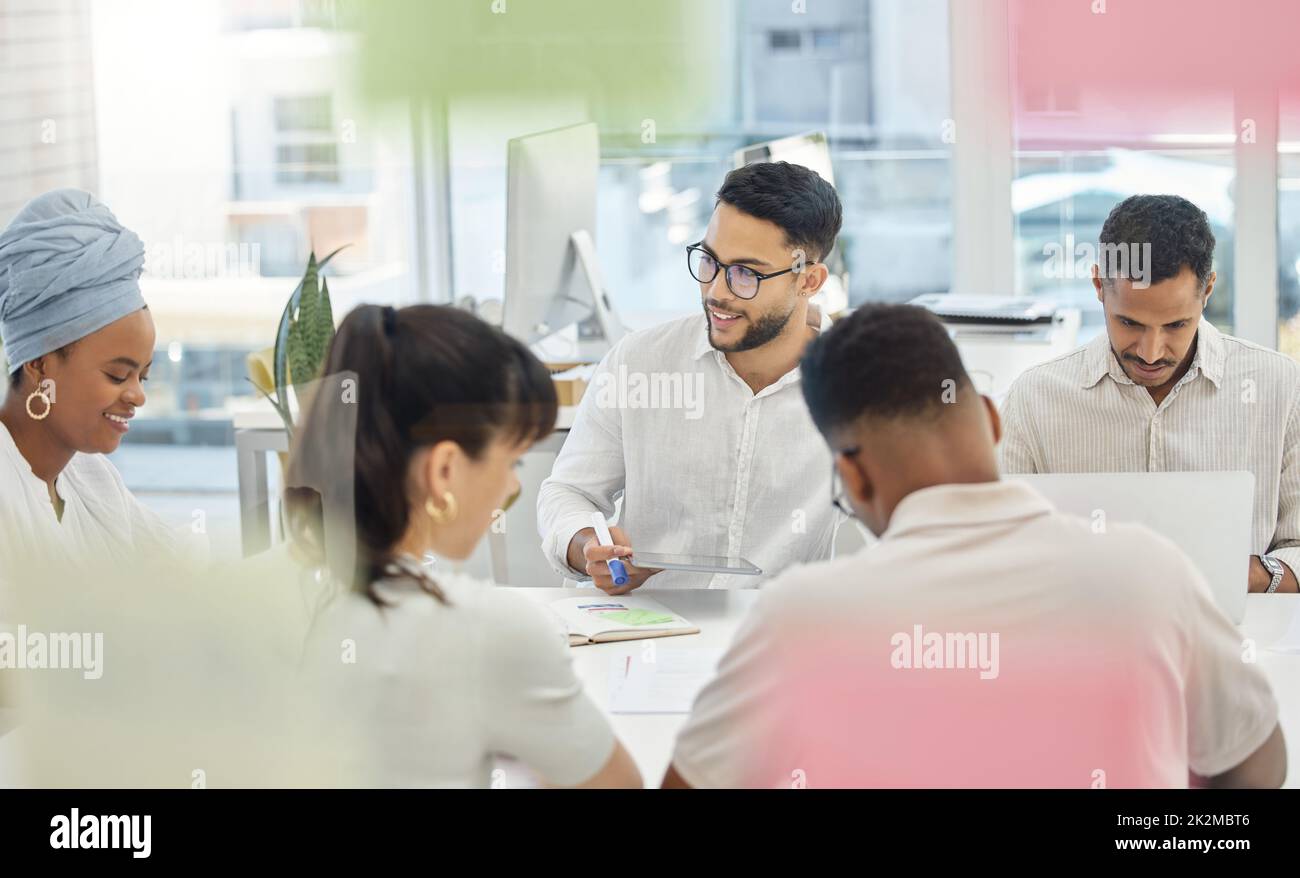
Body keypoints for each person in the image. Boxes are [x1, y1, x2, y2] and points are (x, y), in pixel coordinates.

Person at [663, 303, 1285, 788]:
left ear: (852, 478)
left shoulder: (797, 619)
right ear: (991, 420)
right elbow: (1260, 767)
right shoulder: (1153, 575)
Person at [293, 304, 641, 788]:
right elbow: (618, 785)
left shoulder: (266, 592)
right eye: (512, 462)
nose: (508, 489)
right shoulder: (485, 627)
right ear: (445, 471)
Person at [537, 161, 845, 592]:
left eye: (746, 274)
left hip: (775, 637)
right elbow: (568, 491)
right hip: (645, 633)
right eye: (710, 261)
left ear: (808, 281)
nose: (717, 291)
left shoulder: (856, 386)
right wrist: (588, 545)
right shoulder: (640, 362)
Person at [1000, 194, 1300, 593]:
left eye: (1176, 325)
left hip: (1239, 647)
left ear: (1207, 290)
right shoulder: (1034, 399)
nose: (1150, 352)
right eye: (1129, 322)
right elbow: (999, 549)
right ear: (1098, 287)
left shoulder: (1279, 385)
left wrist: (1247, 574)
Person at [0, 189, 187, 570]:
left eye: (143, 376)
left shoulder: (88, 475)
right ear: (38, 363)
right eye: (118, 375)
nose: (137, 396)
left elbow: (190, 572)